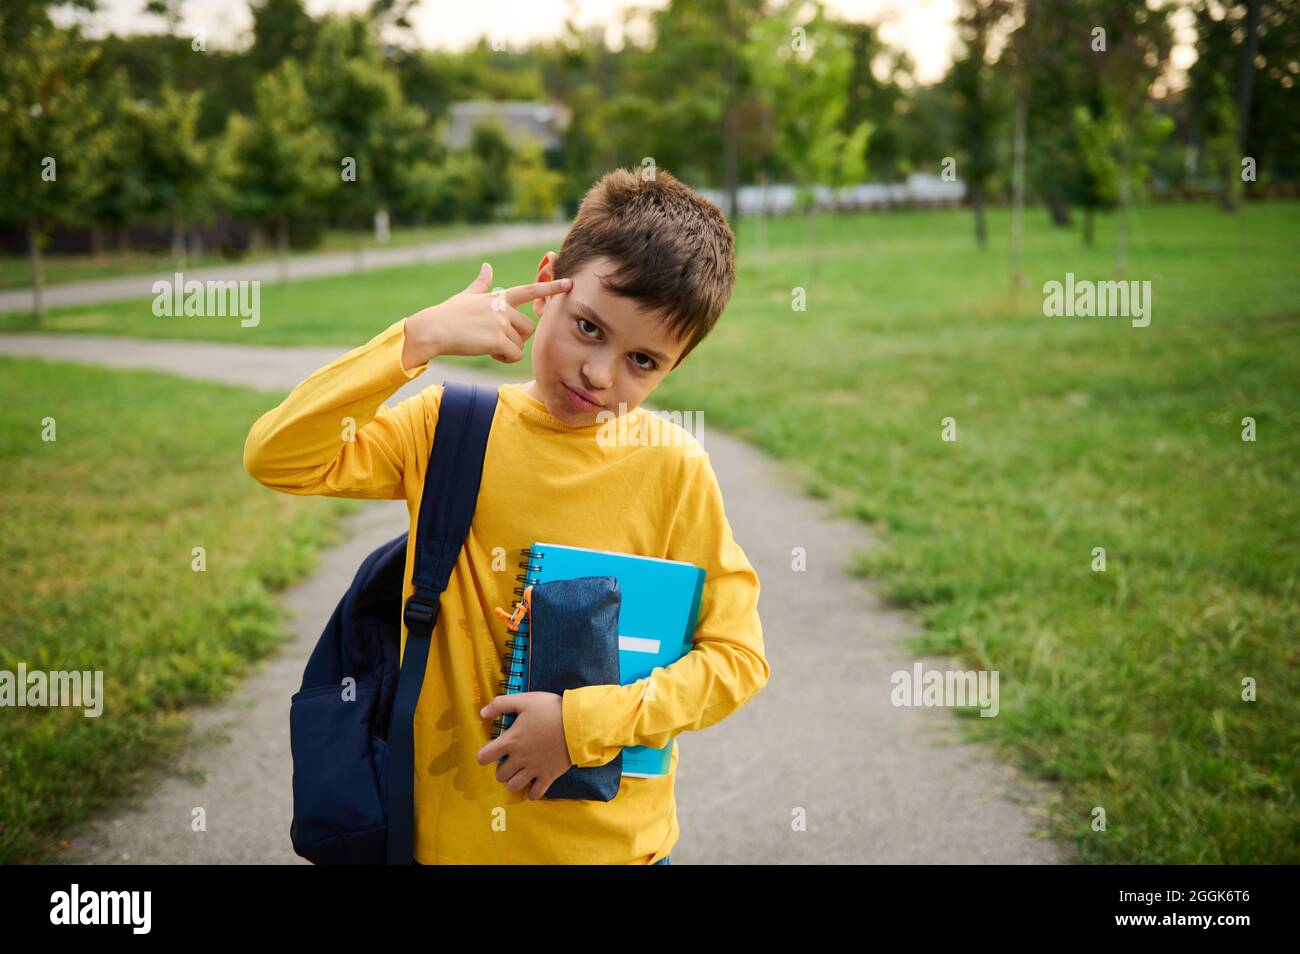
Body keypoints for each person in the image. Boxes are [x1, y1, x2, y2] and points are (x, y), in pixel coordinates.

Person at [244, 166, 769, 864]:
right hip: (447, 843)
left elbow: (737, 659)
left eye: (643, 360)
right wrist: (416, 340)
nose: (600, 374)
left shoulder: (674, 471)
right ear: (549, 278)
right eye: (588, 327)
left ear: (677, 364)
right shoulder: (450, 428)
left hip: (614, 851)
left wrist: (581, 724)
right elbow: (280, 457)